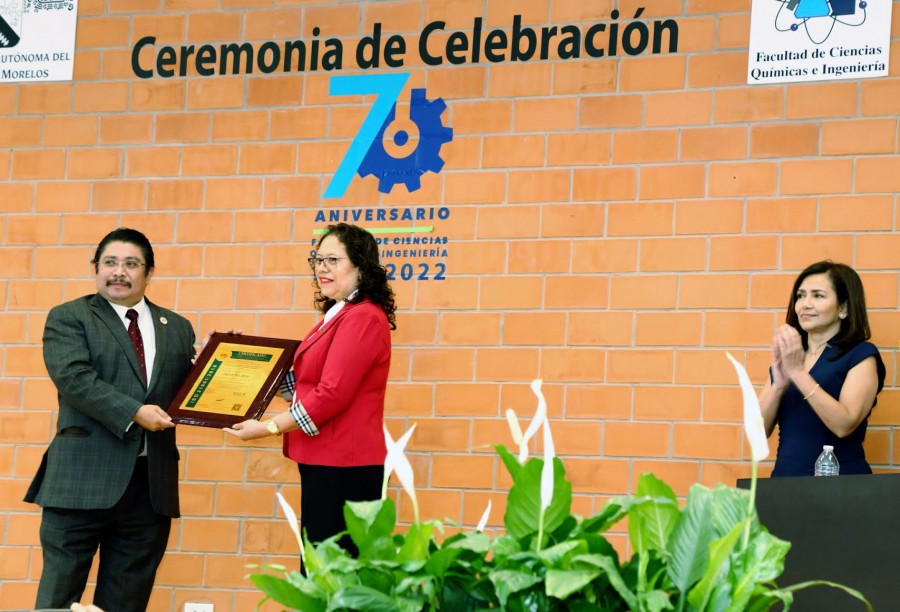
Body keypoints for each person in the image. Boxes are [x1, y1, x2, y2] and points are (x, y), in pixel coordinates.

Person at [25, 228, 196, 612]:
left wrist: (226, 363)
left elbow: (189, 390)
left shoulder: (178, 327)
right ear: (95, 269)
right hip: (81, 484)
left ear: (149, 273)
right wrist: (135, 413)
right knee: (59, 598)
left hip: (149, 487)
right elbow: (75, 379)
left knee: (127, 600)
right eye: (110, 263)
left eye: (131, 264)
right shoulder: (70, 317)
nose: (119, 272)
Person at [225, 223, 396, 554]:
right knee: (319, 569)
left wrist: (269, 427)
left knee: (332, 575)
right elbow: (305, 386)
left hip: (346, 466)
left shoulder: (362, 317)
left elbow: (331, 395)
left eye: (333, 260)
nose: (322, 268)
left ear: (360, 265)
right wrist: (237, 359)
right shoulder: (337, 313)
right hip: (325, 462)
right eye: (318, 259)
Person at [759, 260, 886, 477]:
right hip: (785, 485)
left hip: (840, 488)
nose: (805, 304)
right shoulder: (792, 355)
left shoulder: (861, 355)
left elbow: (844, 425)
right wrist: (779, 385)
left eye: (818, 295)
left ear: (843, 308)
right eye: (800, 296)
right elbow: (757, 433)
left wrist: (798, 373)